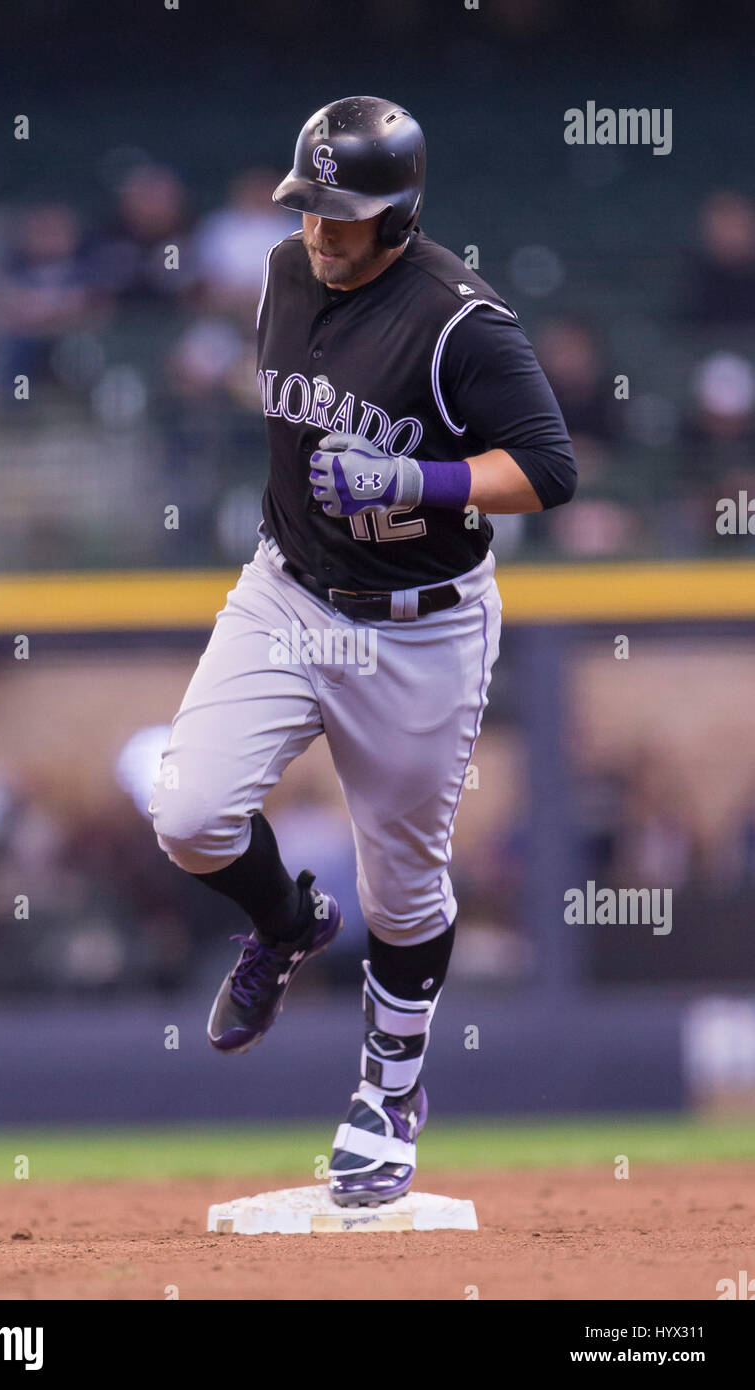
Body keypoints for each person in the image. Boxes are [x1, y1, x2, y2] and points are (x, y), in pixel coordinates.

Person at [149, 96, 576, 1207]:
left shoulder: (459, 322)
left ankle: (387, 1094)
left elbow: (549, 467)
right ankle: (286, 920)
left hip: (423, 626)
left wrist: (420, 479)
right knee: (189, 813)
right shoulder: (287, 274)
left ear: (399, 216)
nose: (318, 233)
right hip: (286, 592)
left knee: (403, 888)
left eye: (343, 218)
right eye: (309, 209)